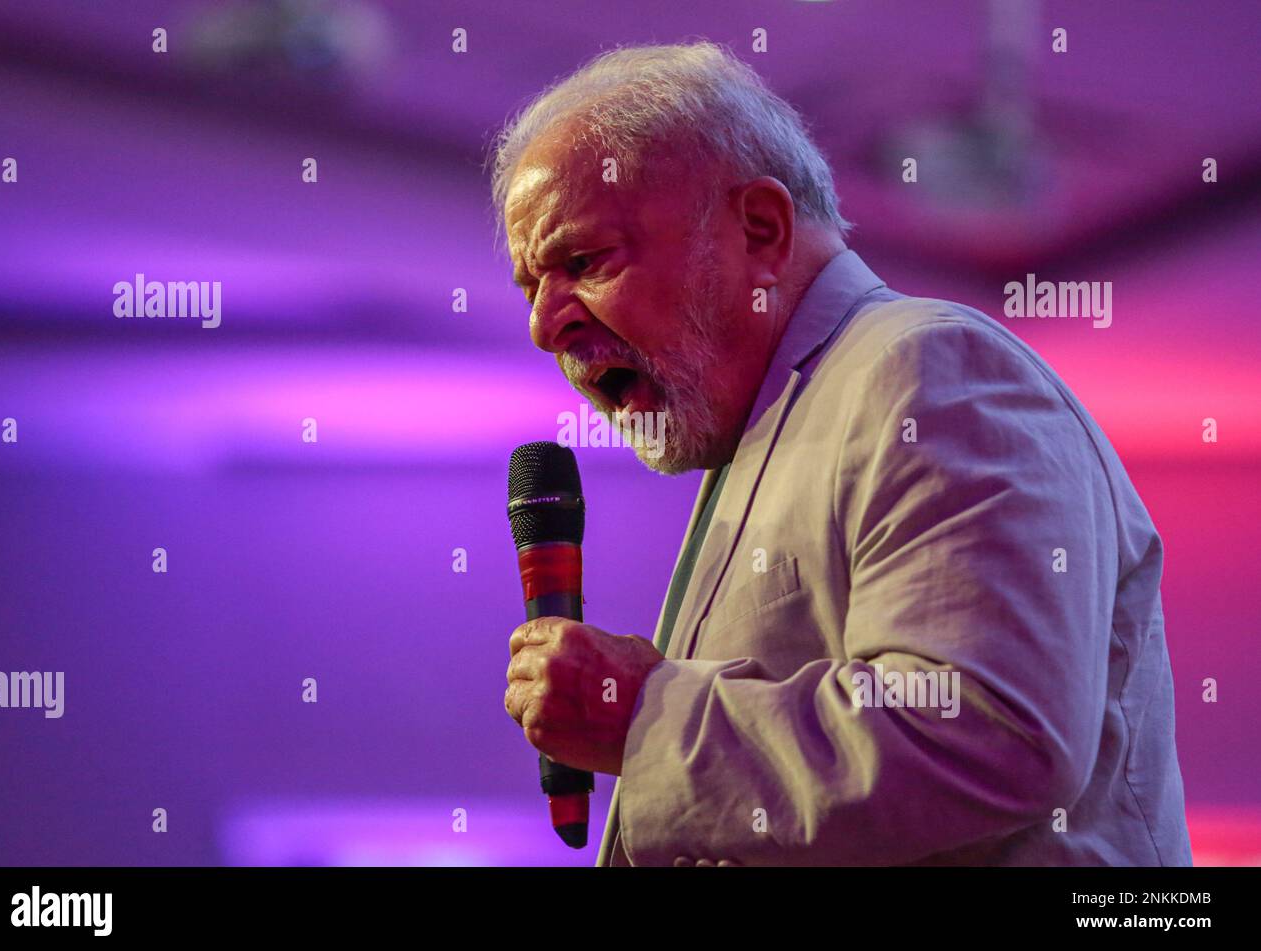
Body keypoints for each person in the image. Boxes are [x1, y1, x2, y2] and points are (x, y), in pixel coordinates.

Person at [494, 41, 1191, 866]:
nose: (546, 326)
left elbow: (989, 733)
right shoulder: (775, 426)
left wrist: (642, 718)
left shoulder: (925, 367)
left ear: (759, 227)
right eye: (532, 288)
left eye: (582, 262)